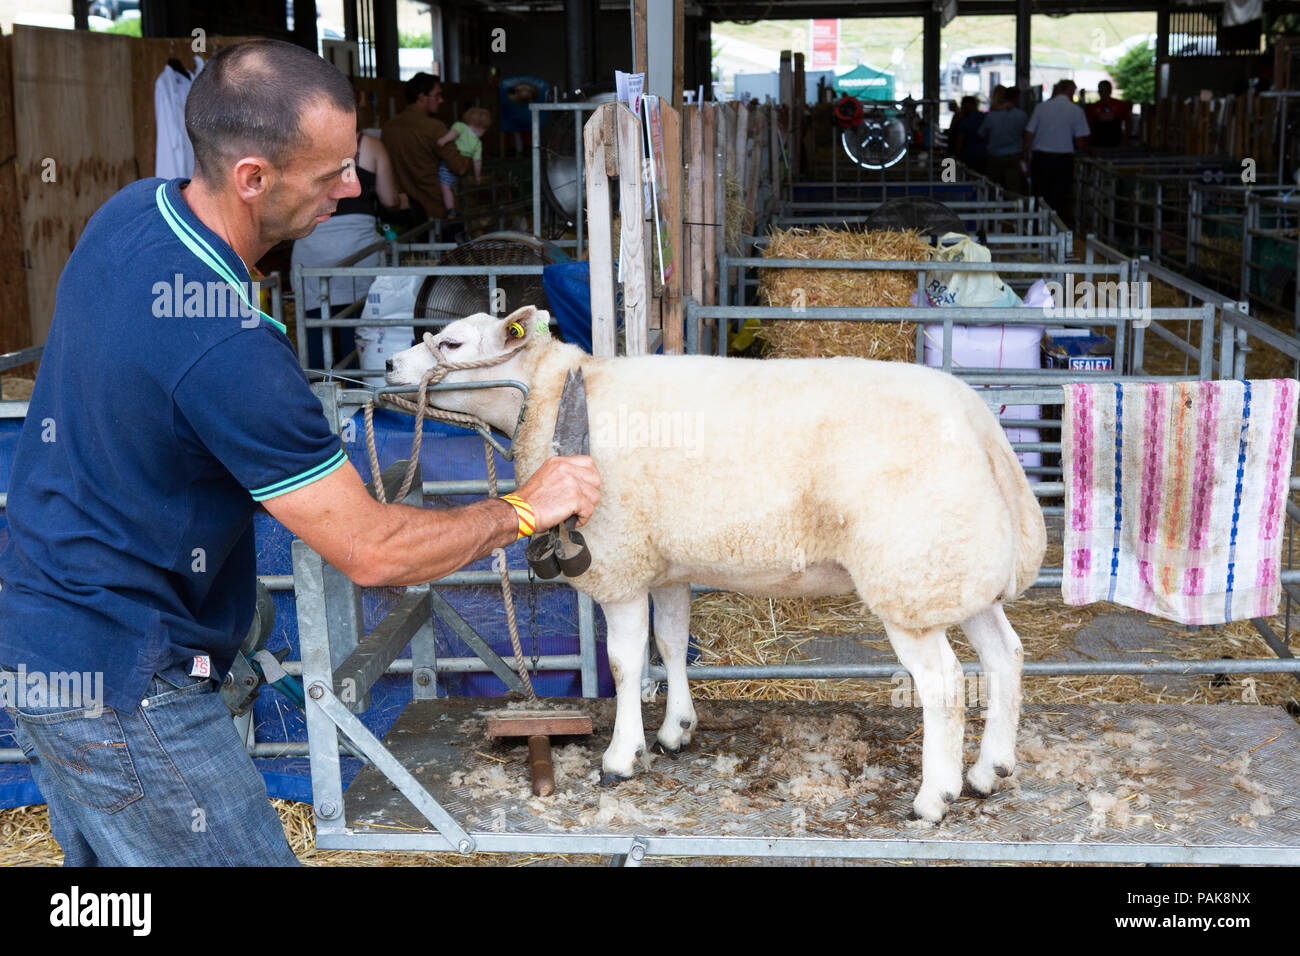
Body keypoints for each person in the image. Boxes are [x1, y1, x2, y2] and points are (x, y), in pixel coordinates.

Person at [0, 39, 599, 867]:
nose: (354, 190)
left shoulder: (133, 212)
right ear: (251, 177)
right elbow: (373, 549)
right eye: (329, 177)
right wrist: (526, 506)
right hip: (128, 684)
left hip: (42, 640)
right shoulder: (233, 350)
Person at [291, 131, 407, 369]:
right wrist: (402, 200)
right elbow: (390, 200)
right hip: (358, 249)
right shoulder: (369, 145)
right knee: (356, 327)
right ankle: (357, 396)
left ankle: (317, 394)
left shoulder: (295, 143)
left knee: (312, 327)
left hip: (310, 245)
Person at [381, 72, 471, 226]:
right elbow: (460, 167)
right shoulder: (433, 127)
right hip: (437, 210)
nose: (441, 100)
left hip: (405, 211)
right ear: (422, 97)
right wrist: (471, 145)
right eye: (437, 96)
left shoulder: (388, 127)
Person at [1023, 79, 1092, 227]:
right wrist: (1089, 151)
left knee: (1039, 197)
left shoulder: (1041, 108)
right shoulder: (1076, 111)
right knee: (1060, 199)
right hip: (1063, 160)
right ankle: (1058, 235)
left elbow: (1028, 135)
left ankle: (1036, 232)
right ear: (1070, 90)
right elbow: (1081, 142)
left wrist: (1025, 159)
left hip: (1040, 159)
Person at [435, 106, 490, 218]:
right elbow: (477, 161)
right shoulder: (478, 143)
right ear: (480, 127)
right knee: (455, 188)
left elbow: (453, 133)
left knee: (445, 187)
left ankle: (450, 210)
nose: (484, 133)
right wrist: (477, 176)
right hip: (463, 168)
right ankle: (454, 207)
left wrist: (444, 139)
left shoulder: (460, 126)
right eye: (484, 130)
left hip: (450, 164)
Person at [979, 85, 1028, 194]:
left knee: (993, 187)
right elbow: (1026, 135)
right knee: (1013, 188)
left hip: (994, 156)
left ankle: (992, 209)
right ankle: (1014, 209)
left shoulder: (991, 116)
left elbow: (982, 133)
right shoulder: (1021, 115)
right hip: (1014, 156)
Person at [1085, 80, 1131, 149]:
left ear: (1110, 91)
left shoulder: (1120, 105)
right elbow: (1088, 126)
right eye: (1100, 90)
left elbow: (1128, 123)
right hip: (1097, 142)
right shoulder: (1093, 107)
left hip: (1116, 142)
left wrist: (1125, 140)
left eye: (1104, 90)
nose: (1101, 92)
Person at [951, 95, 988, 175]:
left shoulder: (965, 121)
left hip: (970, 156)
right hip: (985, 155)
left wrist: (956, 156)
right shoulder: (985, 117)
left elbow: (959, 141)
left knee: (969, 178)